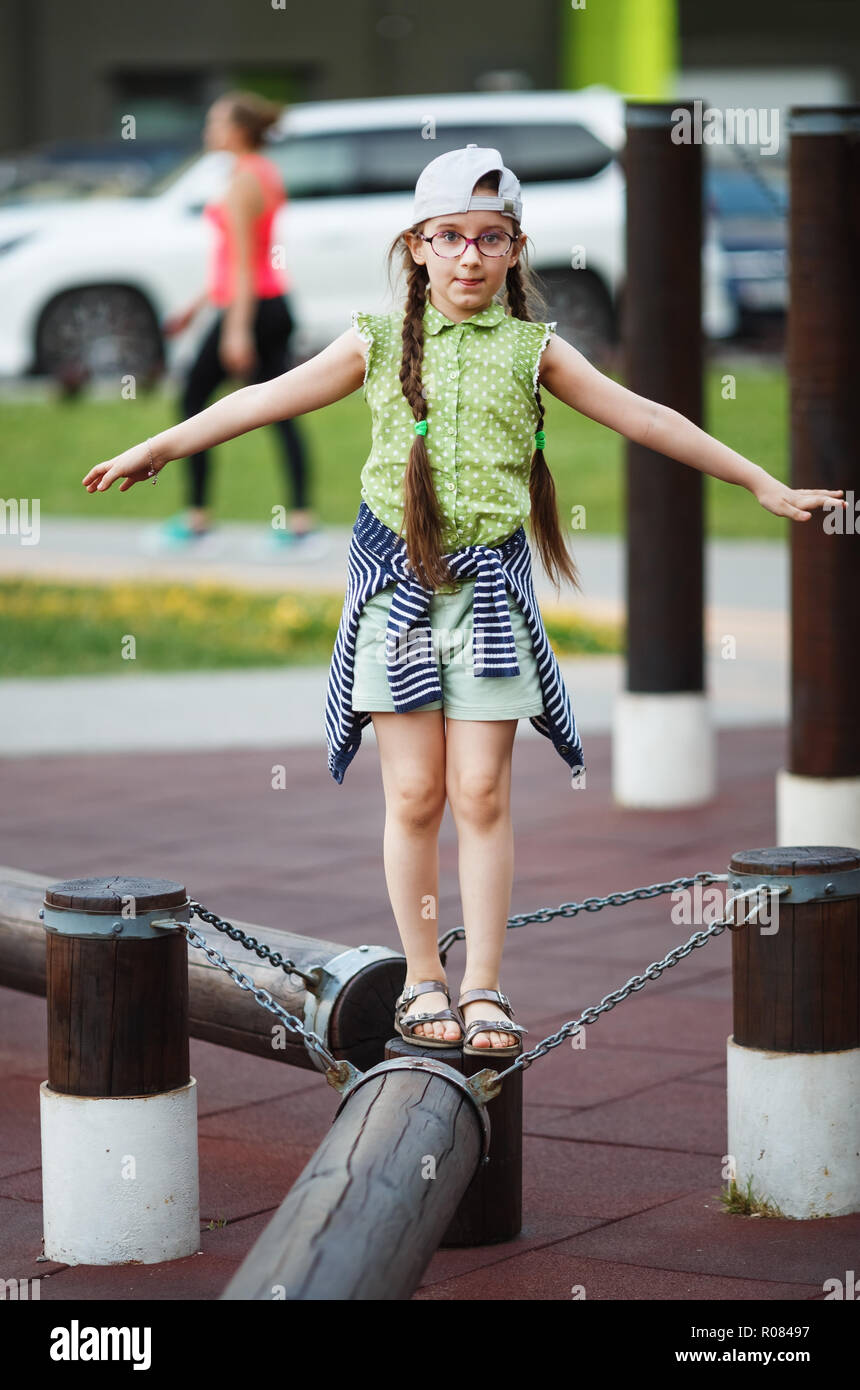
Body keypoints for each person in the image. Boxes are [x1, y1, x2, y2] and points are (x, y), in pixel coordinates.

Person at [82, 145, 846, 1056]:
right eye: (451, 238)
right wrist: (160, 445)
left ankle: (482, 983)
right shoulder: (372, 338)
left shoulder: (536, 351)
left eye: (492, 239)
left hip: (489, 598)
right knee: (414, 794)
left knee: (481, 791)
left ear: (517, 249)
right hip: (396, 594)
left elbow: (648, 416)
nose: (471, 257)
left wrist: (761, 482)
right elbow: (266, 398)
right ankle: (422, 978)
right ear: (416, 246)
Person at [156, 89, 325, 557]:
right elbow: (237, 260)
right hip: (267, 304)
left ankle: (196, 517)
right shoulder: (260, 173)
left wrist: (235, 329)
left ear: (238, 130)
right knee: (278, 408)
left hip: (252, 308)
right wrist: (197, 305)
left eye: (216, 122)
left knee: (193, 397)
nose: (209, 130)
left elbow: (247, 266)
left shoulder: (242, 181)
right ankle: (301, 519)